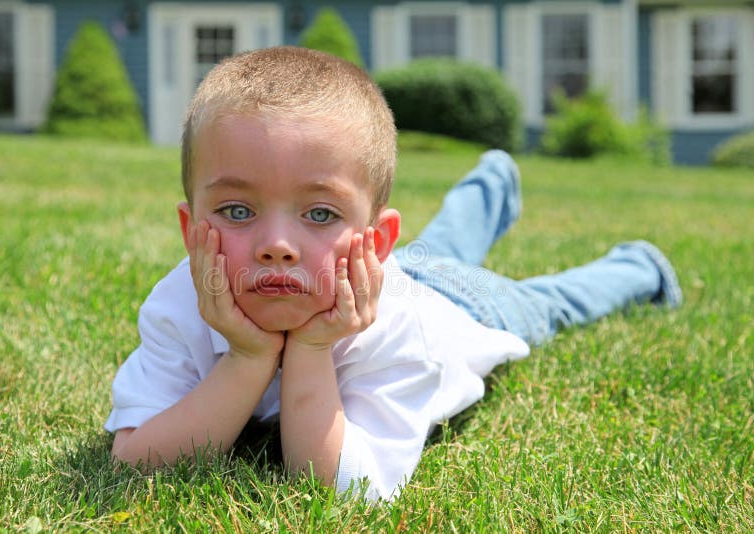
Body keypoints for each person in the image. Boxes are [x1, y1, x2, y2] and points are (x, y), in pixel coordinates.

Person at [105, 46, 681, 500]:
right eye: (237, 212)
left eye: (320, 214)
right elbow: (134, 462)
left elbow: (342, 490)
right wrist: (247, 357)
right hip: (404, 268)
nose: (276, 246)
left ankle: (635, 267)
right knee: (443, 246)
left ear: (375, 242)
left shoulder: (397, 332)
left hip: (458, 306)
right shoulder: (181, 301)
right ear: (190, 229)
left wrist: (309, 348)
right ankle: (491, 184)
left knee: (547, 304)